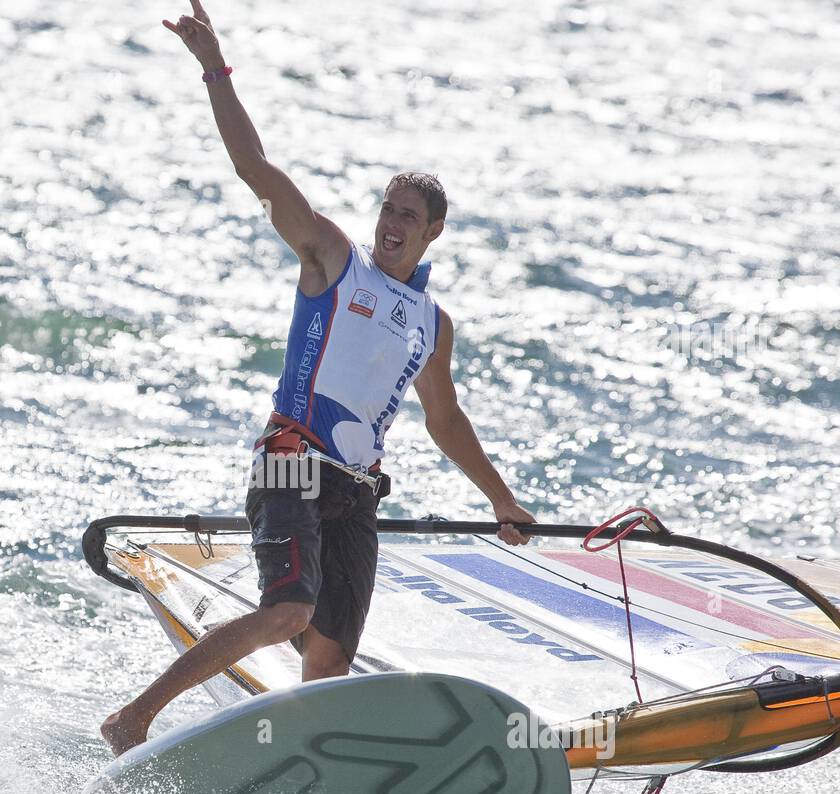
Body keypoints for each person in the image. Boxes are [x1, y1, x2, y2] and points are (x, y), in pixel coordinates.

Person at [101, 1, 534, 755]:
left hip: (357, 491)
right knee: (288, 611)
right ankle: (133, 716)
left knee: (329, 660)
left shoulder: (434, 322)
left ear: (434, 231)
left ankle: (297, 777)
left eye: (409, 215)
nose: (391, 222)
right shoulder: (333, 259)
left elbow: (445, 420)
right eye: (387, 208)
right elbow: (254, 170)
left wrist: (502, 499)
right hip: (291, 458)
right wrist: (215, 70)